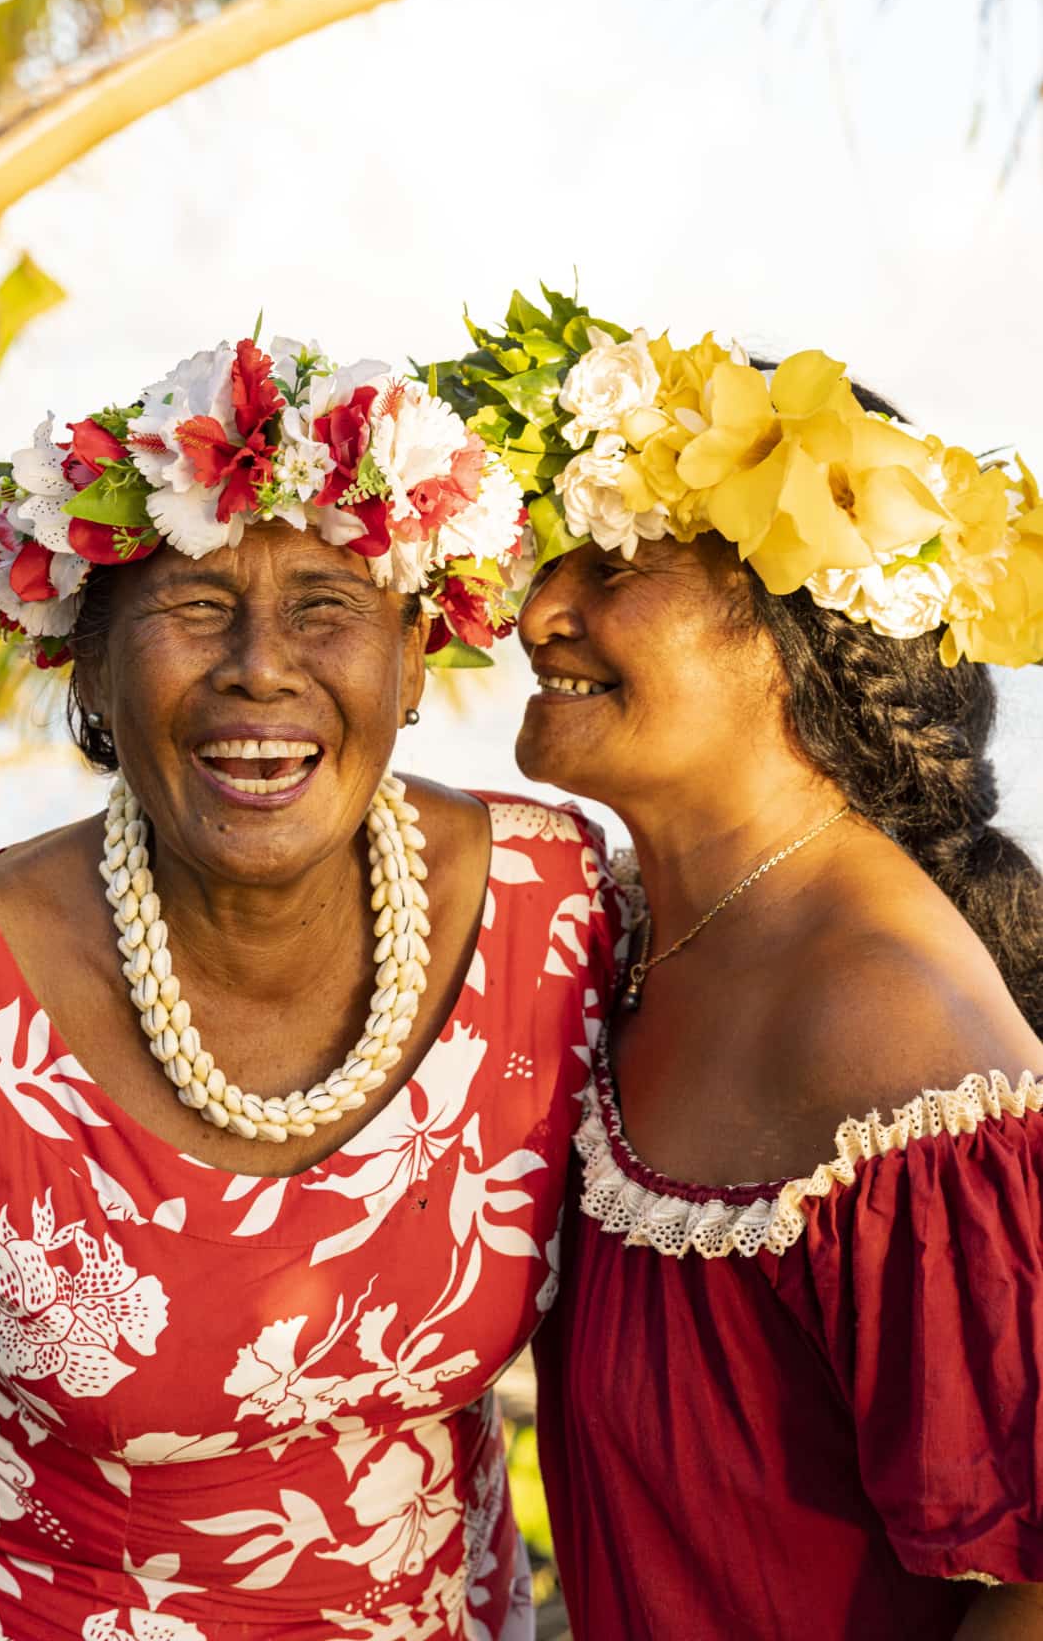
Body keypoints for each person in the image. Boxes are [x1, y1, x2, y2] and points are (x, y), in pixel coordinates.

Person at [0, 332, 620, 1641]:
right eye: (194, 606)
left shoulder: (556, 915)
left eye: (326, 603)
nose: (259, 663)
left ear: (419, 658)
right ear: (83, 661)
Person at [437, 295, 1043, 1639]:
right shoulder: (636, 940)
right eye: (554, 561)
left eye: (613, 565)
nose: (536, 611)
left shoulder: (881, 1020)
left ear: (799, 626)